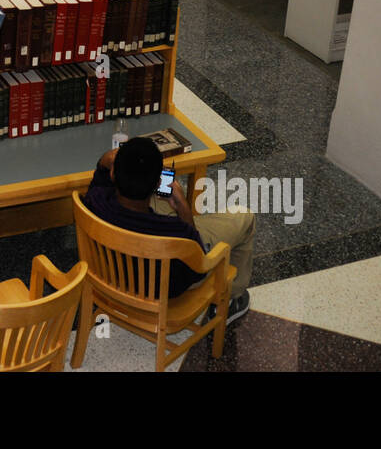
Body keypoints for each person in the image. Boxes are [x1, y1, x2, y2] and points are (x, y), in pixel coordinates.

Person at [84, 135, 255, 323]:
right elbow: (197, 264)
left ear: (112, 173)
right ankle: (231, 300)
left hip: (113, 275)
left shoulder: (96, 200)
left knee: (159, 203)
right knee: (244, 215)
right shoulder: (174, 230)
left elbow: (99, 177)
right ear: (158, 183)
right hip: (164, 289)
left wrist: (103, 161)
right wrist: (182, 207)